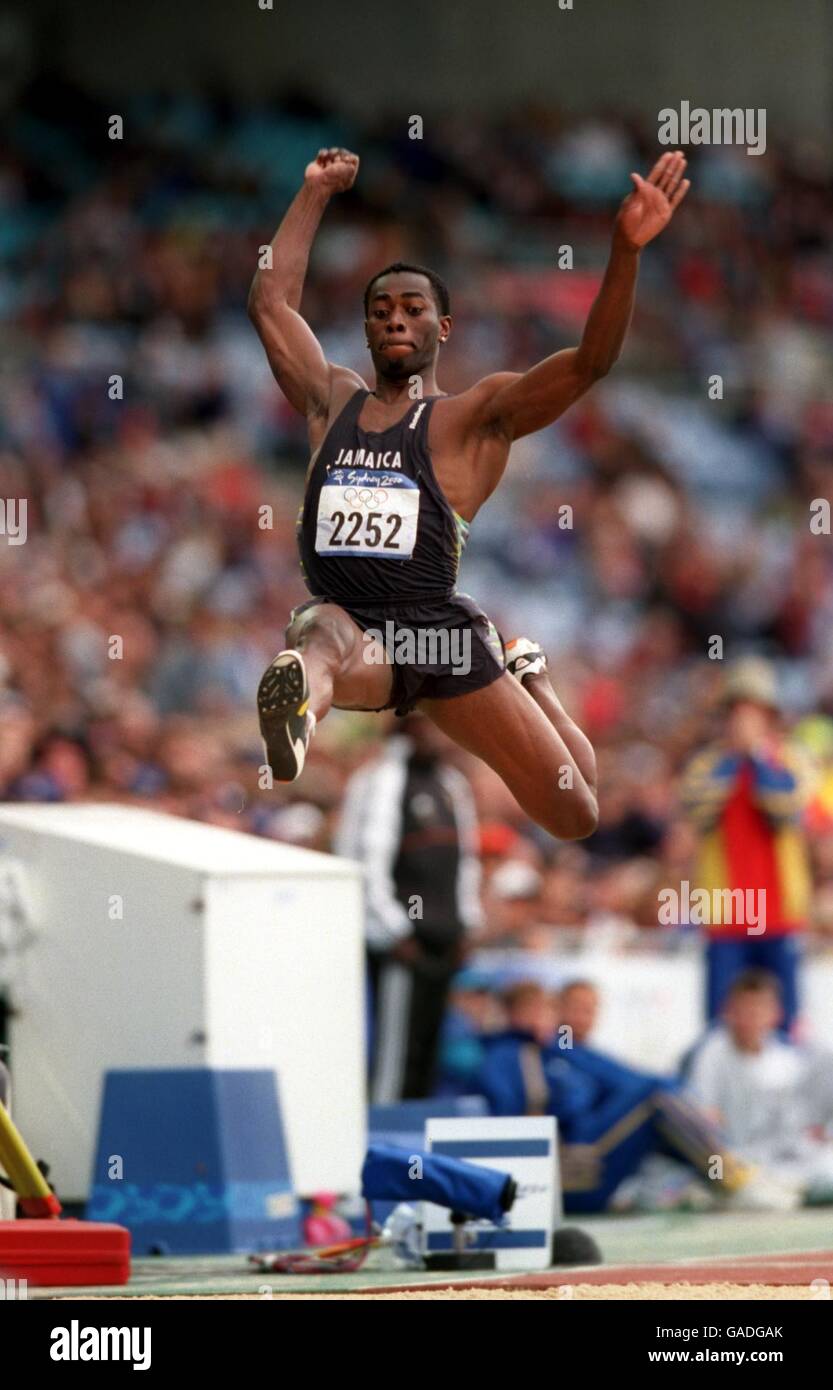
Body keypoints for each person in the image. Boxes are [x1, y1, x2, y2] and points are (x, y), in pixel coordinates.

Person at [248, 145, 690, 841]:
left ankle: (531, 678)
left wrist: (625, 252)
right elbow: (270, 301)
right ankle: (298, 703)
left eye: (412, 308)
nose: (394, 318)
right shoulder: (328, 400)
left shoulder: (473, 415)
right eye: (380, 309)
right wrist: (312, 195)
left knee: (573, 811)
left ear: (441, 329)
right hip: (357, 633)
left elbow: (589, 363)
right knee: (320, 634)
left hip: (441, 640)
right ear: (365, 330)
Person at [476, 981, 791, 1213]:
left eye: (545, 1009)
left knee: (659, 1097)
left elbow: (629, 1079)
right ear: (509, 1015)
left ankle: (726, 1174)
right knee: (655, 1099)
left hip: (586, 1156)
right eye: (532, 1010)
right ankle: (731, 1179)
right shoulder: (510, 1055)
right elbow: (525, 1117)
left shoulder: (566, 1052)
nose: (542, 1018)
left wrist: (685, 1099)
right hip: (558, 1173)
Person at [334, 714, 482, 1102]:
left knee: (428, 1051)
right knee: (396, 1056)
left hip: (444, 940)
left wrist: (466, 922)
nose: (441, 734)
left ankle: (417, 1142)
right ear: (410, 728)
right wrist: (392, 930)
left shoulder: (452, 785)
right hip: (404, 944)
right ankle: (385, 1135)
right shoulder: (381, 781)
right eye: (431, 725)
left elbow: (466, 860)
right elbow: (364, 859)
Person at [680, 657, 814, 1031]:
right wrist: (734, 759)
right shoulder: (706, 765)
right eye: (736, 713)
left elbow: (784, 806)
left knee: (785, 1021)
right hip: (726, 913)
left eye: (752, 713)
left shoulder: (792, 761)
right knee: (719, 1022)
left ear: (769, 718)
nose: (741, 722)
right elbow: (697, 807)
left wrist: (756, 757)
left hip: (779, 913)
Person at [685, 970, 833, 1203]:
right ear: (728, 1011)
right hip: (733, 1162)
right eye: (744, 1009)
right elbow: (701, 1115)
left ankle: (795, 1191)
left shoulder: (786, 1060)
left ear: (776, 1014)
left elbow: (799, 1124)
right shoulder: (712, 1053)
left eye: (759, 1009)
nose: (751, 1017)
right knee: (742, 1187)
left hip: (782, 1160)